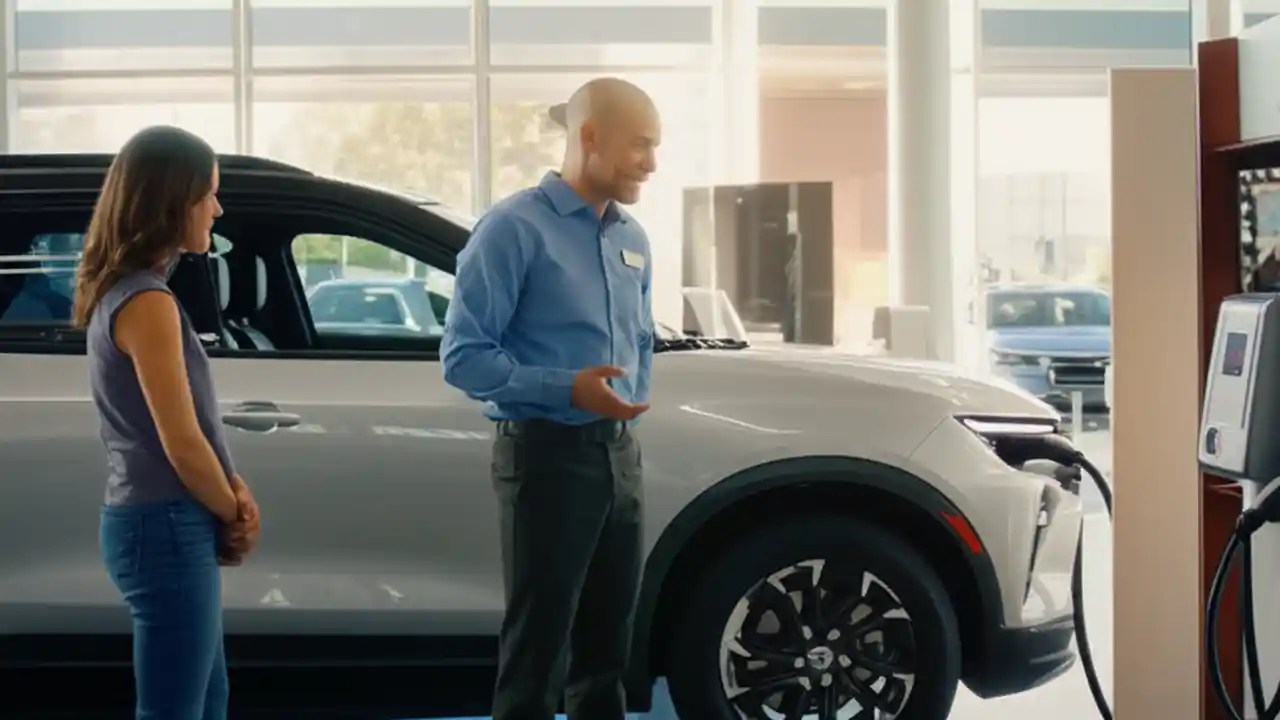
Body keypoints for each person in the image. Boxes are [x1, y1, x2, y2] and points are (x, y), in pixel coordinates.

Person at [440, 77, 660, 720]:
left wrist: (627, 398)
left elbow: (640, 341)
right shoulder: (512, 229)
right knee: (538, 656)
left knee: (607, 656)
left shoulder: (634, 238)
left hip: (621, 456)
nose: (652, 163)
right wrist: (568, 387)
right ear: (589, 138)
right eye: (640, 146)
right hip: (546, 454)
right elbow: (463, 358)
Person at [72, 125, 262, 720]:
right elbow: (180, 441)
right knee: (177, 709)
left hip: (160, 521)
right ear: (170, 200)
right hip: (164, 524)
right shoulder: (148, 303)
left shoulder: (130, 294)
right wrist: (236, 514)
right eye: (208, 193)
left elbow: (192, 433)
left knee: (204, 701)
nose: (217, 208)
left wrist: (235, 495)